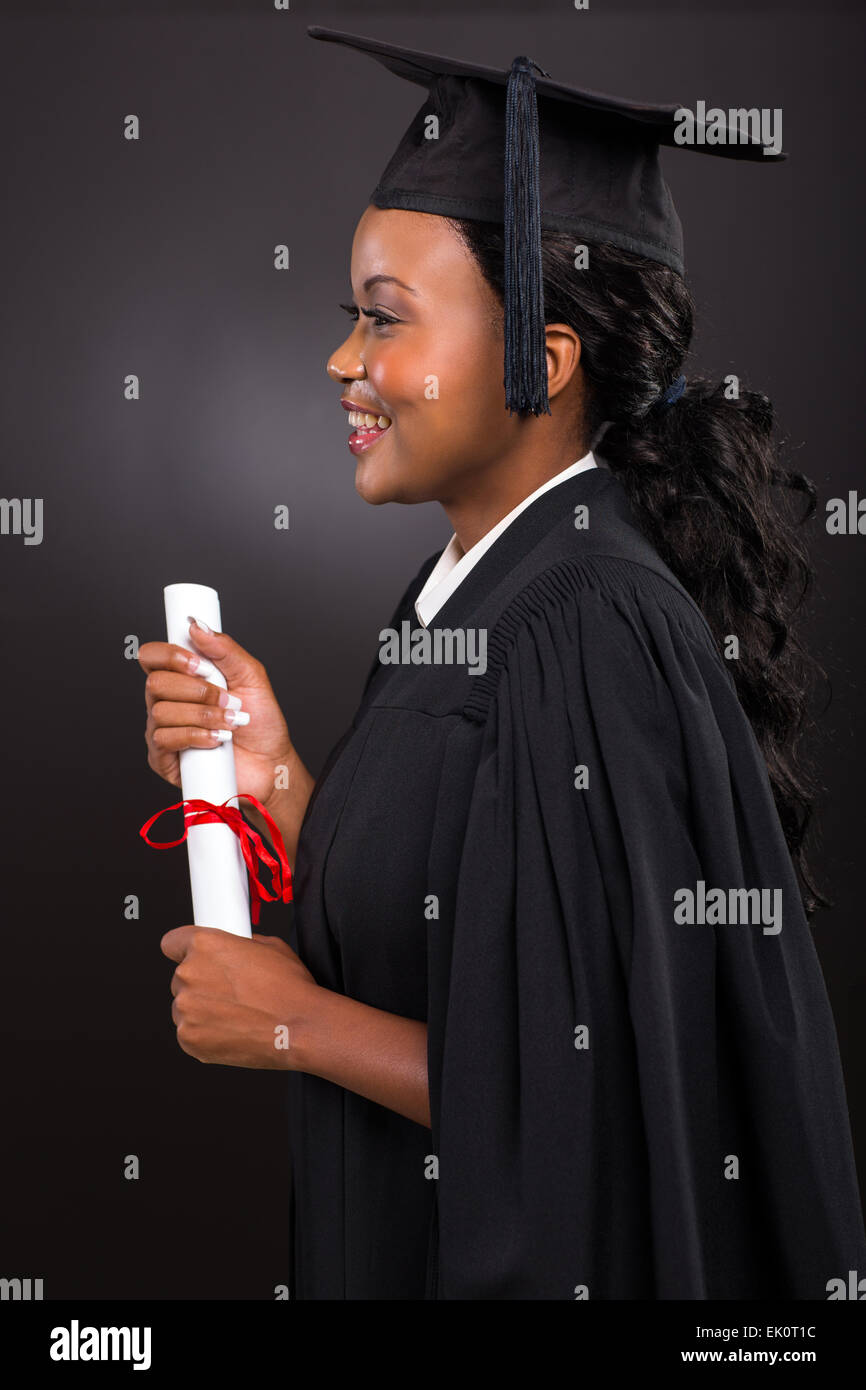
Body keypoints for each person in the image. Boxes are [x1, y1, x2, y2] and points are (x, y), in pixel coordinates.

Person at [138, 27, 866, 1299]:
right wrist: (280, 779)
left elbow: (593, 1097)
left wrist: (294, 1022)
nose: (343, 361)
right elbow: (477, 926)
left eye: (382, 319)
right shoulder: (481, 587)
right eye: (349, 318)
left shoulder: (582, 623)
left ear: (542, 357)